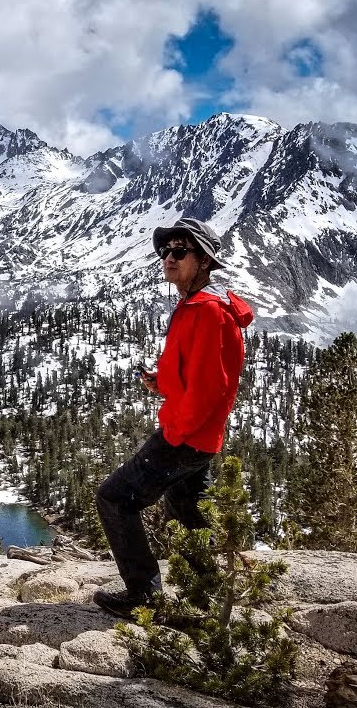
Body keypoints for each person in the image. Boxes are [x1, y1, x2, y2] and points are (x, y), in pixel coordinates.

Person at [93, 217, 254, 618]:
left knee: (114, 498)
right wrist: (161, 381)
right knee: (187, 512)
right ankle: (211, 597)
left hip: (186, 436)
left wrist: (175, 432)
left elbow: (210, 387)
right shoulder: (193, 306)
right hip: (202, 438)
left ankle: (143, 598)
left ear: (204, 260)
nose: (169, 258)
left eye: (180, 251)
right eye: (165, 251)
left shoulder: (207, 313)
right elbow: (191, 372)